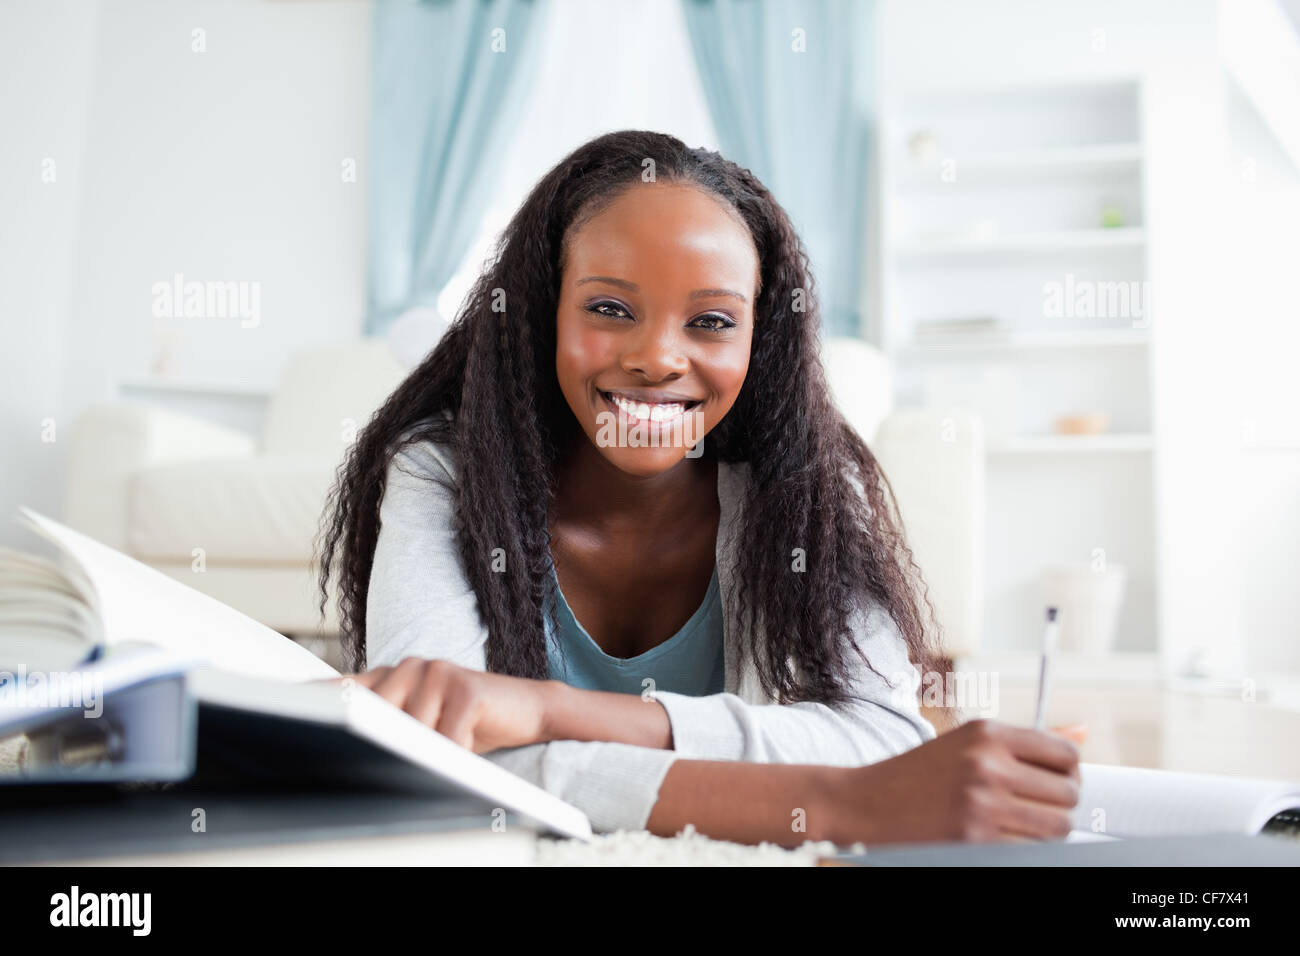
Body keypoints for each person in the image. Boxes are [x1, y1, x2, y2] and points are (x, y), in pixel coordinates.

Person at [316, 129, 1081, 846]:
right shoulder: (442, 473)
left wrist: (546, 709)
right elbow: (427, 753)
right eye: (610, 309)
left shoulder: (805, 489)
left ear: (760, 338)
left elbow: (883, 738)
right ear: (545, 312)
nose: (656, 359)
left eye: (711, 321)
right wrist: (839, 802)